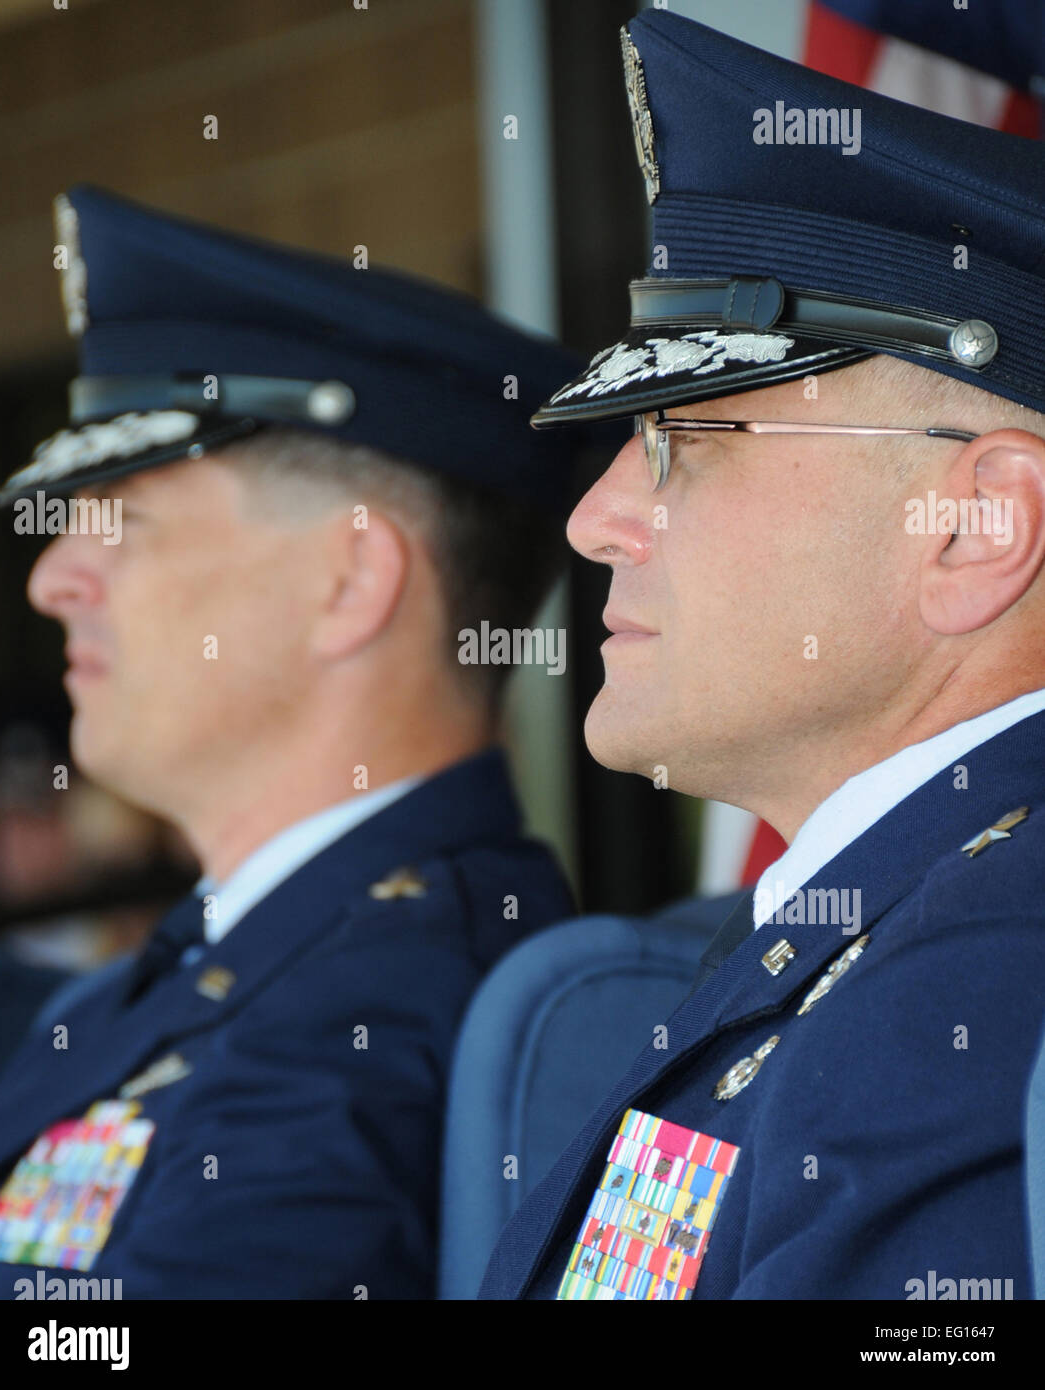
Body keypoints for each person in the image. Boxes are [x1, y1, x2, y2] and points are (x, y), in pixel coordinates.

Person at [479, 10, 1045, 1300]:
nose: (593, 515)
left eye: (684, 438)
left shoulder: (971, 981)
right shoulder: (894, 918)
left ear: (972, 525)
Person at [0, 185, 581, 1299]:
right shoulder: (231, 959)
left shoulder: (373, 1015)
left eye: (124, 520)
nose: (52, 577)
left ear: (346, 580)